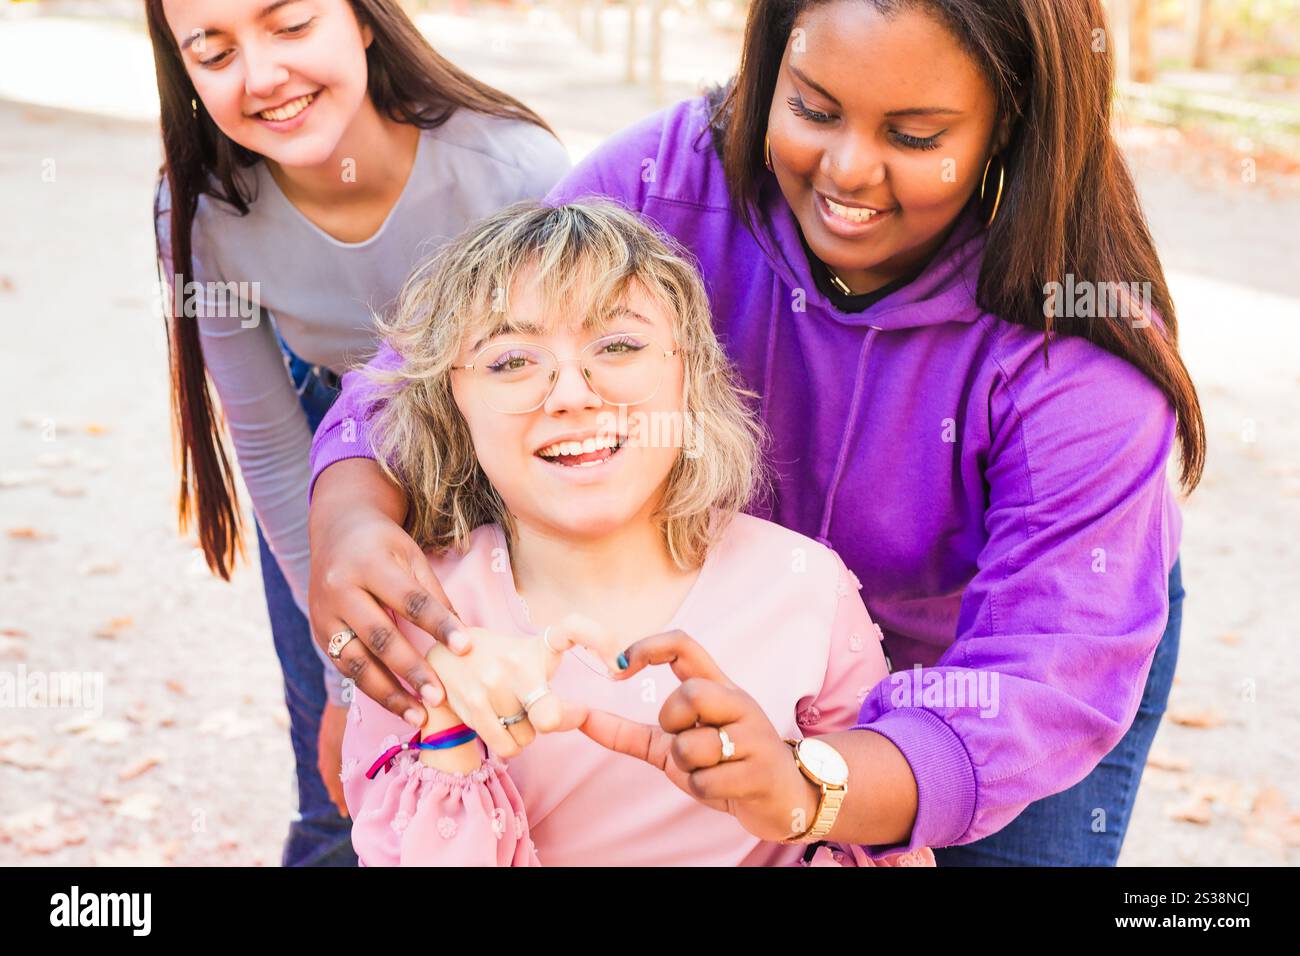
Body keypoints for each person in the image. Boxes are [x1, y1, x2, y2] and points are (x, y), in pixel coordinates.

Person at [307, 0, 1202, 864]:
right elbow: (459, 346)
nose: (848, 169)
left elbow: (1047, 675)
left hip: (992, 685)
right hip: (735, 627)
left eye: (915, 136)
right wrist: (351, 527)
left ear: (1009, 125)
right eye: (813, 108)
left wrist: (815, 790)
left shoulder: (1080, 354)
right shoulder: (669, 179)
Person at [338, 199, 934, 866]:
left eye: (618, 345)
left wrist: (790, 789)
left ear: (690, 375)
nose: (570, 394)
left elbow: (875, 843)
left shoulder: (807, 587)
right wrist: (447, 721)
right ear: (453, 401)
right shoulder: (419, 621)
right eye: (511, 361)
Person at [147, 0, 570, 865]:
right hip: (316, 472)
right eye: (213, 49)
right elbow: (266, 442)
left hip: (497, 457)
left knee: (514, 754)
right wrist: (346, 672)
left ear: (366, 21)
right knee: (347, 780)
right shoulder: (200, 211)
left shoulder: (508, 171)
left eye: (291, 25)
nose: (261, 76)